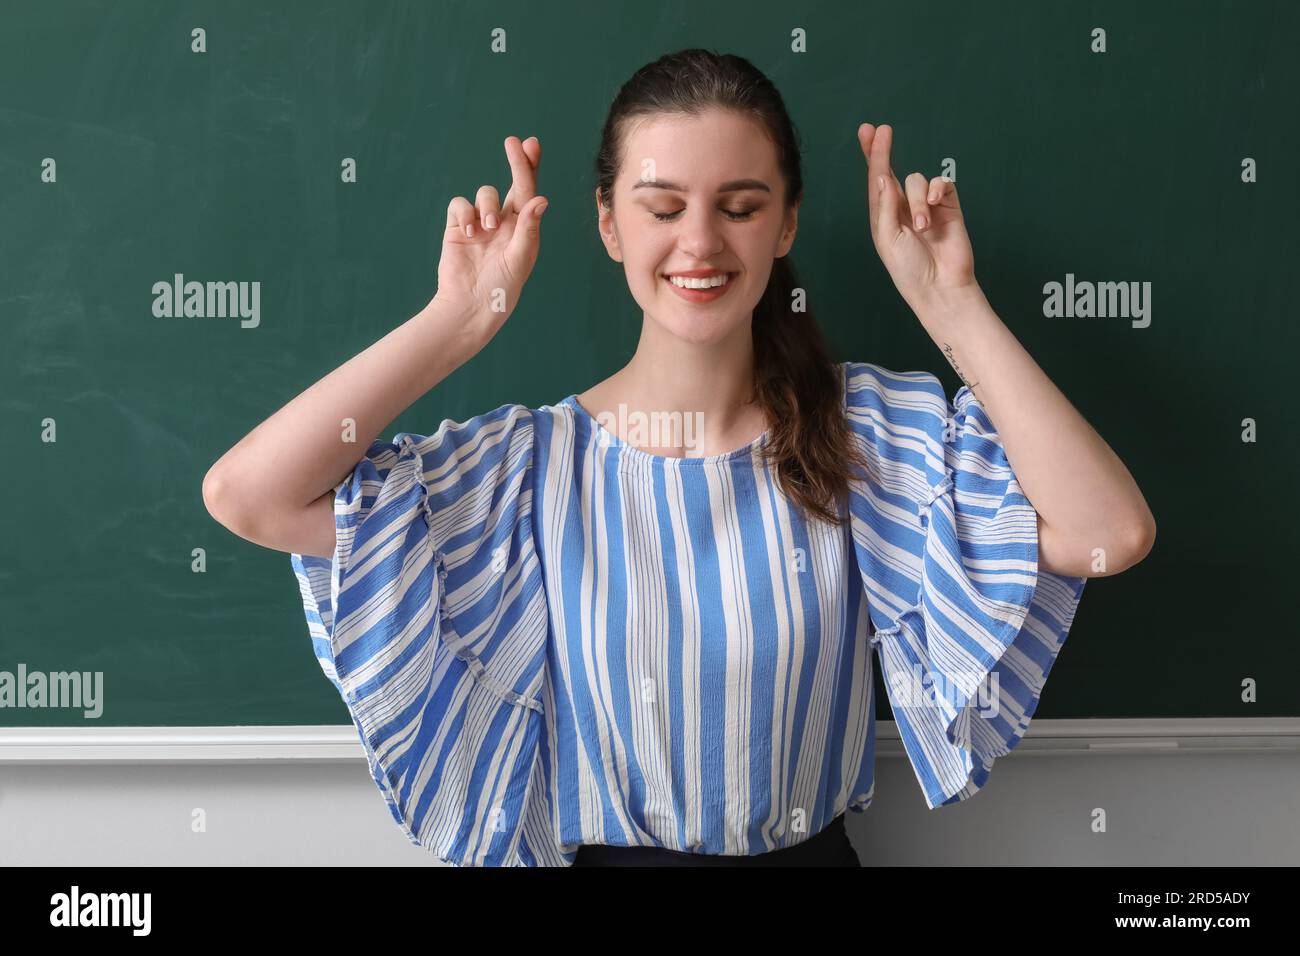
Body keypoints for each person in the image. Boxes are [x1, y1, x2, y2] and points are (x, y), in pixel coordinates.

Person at [202, 49, 1155, 867]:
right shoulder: (528, 470)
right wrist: (459, 318)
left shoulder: (864, 435)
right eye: (662, 207)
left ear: (785, 226)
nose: (700, 242)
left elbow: (1111, 533)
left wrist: (949, 305)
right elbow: (248, 495)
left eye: (740, 206)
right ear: (610, 223)